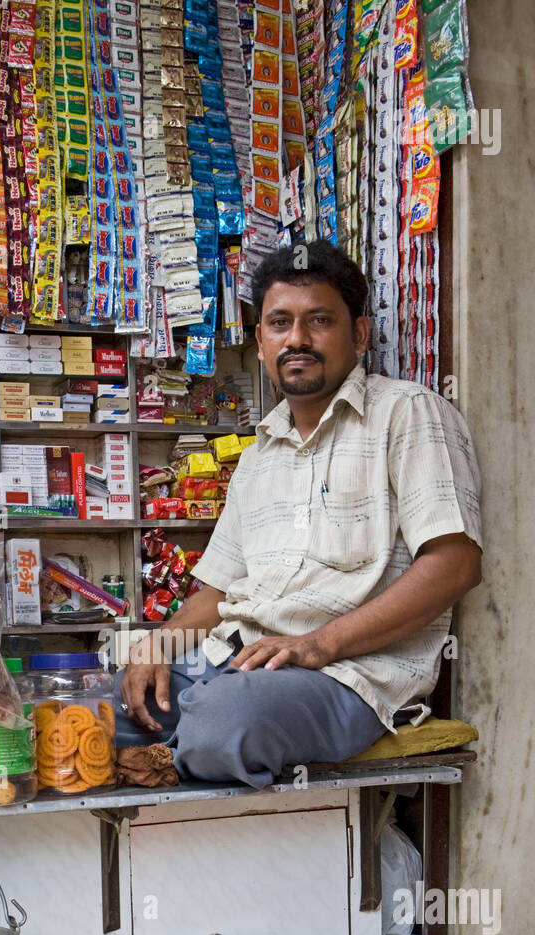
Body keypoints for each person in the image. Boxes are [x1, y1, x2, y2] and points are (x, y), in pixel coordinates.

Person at [117, 240, 483, 788]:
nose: (298, 340)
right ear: (260, 343)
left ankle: (179, 747)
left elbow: (455, 565)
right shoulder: (259, 455)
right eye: (280, 323)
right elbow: (219, 592)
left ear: (357, 334)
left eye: (319, 321)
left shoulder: (408, 413)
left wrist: (319, 644)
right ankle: (177, 743)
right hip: (234, 663)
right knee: (93, 709)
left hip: (346, 677)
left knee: (224, 721)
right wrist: (161, 642)